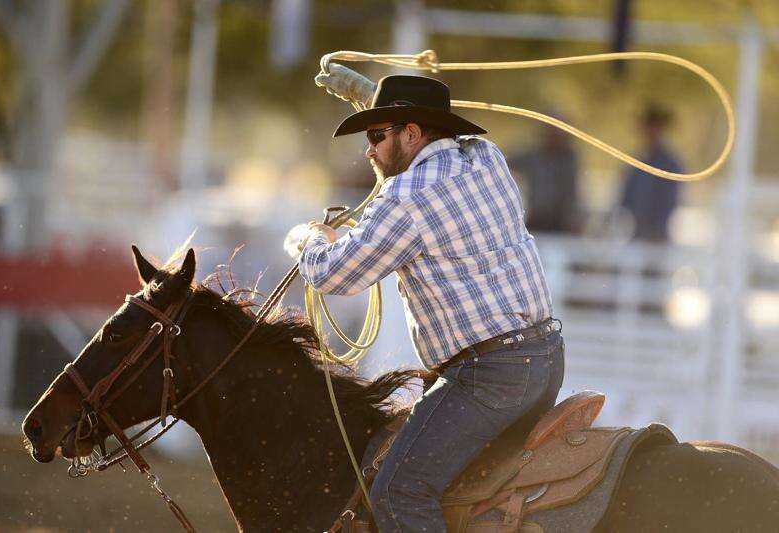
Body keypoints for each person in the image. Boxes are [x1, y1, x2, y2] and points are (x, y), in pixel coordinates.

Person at [292, 70, 565, 532]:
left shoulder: (405, 197)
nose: (369, 150)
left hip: (490, 377)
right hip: (545, 359)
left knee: (398, 493)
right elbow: (434, 146)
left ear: (413, 133)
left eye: (376, 135)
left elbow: (333, 274)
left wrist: (311, 239)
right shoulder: (485, 156)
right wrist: (374, 101)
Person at [619, 104, 684, 242]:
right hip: (635, 234)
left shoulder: (670, 164)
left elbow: (669, 202)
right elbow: (625, 199)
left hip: (657, 236)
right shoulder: (636, 161)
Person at [507, 119, 580, 234]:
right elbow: (506, 161)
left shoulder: (569, 158)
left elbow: (572, 192)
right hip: (536, 218)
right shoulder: (532, 155)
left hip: (561, 220)